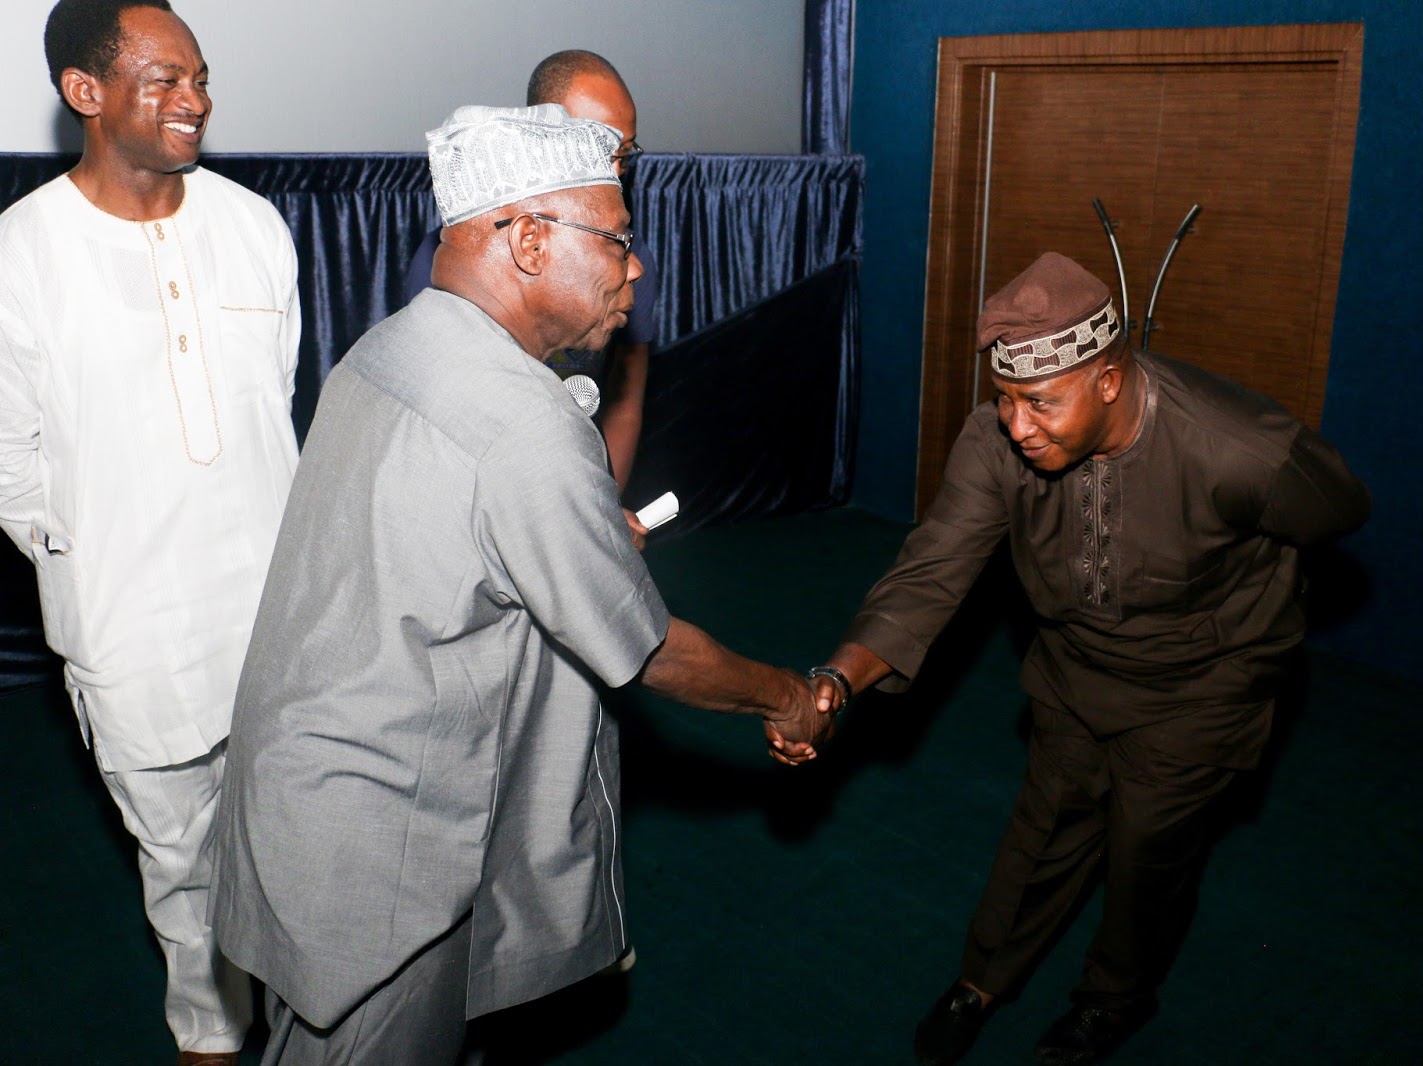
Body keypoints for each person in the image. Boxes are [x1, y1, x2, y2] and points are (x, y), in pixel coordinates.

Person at [209, 103, 826, 1063]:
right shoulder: (520, 423)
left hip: (310, 793)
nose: (635, 266)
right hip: (381, 862)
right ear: (529, 239)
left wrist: (566, 542)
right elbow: (649, 651)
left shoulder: (390, 346)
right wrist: (787, 696)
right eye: (617, 238)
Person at [806, 253, 1371, 1065]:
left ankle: (1115, 1001)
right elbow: (933, 569)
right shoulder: (999, 441)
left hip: (1200, 693)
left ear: (1109, 379)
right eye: (1004, 400)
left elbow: (1339, 506)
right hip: (1073, 673)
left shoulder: (1236, 449)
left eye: (1039, 402)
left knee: (1147, 858)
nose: (1016, 426)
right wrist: (837, 680)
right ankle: (984, 980)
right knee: (1045, 829)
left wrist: (1258, 601)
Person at [0, 2, 299, 1062]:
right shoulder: (22, 253)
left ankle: (298, 1019)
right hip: (135, 636)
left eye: (201, 77)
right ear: (85, 93)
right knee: (181, 867)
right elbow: (14, 469)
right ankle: (211, 1035)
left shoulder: (254, 225)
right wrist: (101, 571)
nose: (197, 101)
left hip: (278, 618)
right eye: (164, 80)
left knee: (293, 845)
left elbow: (275, 411)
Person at [403, 49, 656, 491]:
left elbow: (625, 402)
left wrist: (603, 511)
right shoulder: (447, 264)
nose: (611, 171)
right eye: (592, 145)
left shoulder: (632, 264)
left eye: (623, 154)